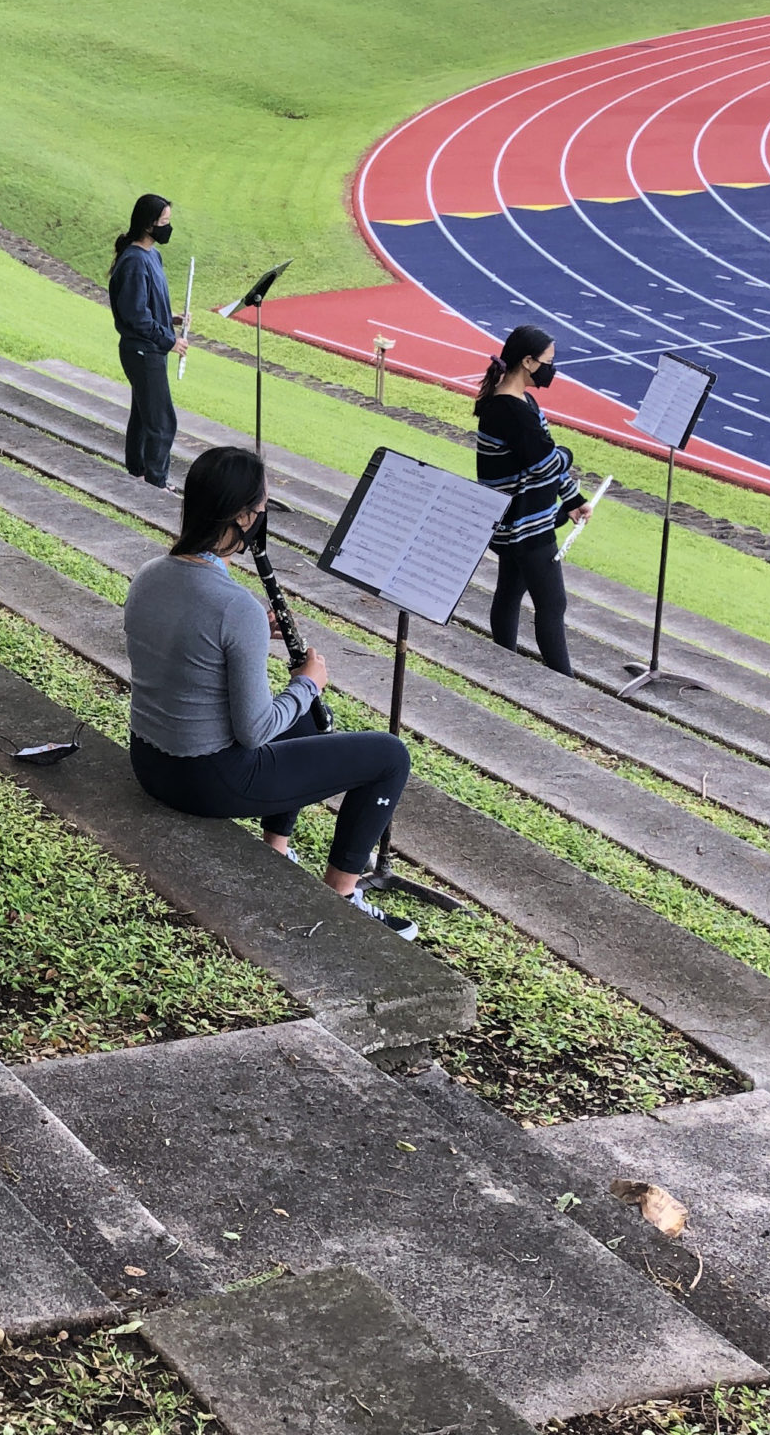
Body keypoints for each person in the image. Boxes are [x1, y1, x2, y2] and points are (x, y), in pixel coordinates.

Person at [123, 445, 418, 939]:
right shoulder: (232, 605)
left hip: (151, 763)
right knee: (389, 755)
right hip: (207, 781)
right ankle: (344, 893)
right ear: (241, 517)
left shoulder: (150, 575)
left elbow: (187, 646)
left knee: (300, 721)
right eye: (260, 511)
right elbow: (255, 730)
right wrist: (308, 683)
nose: (261, 520)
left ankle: (276, 848)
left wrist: (254, 635)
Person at [475, 325, 591, 675]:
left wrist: (572, 500)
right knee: (553, 604)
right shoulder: (511, 412)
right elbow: (546, 463)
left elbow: (545, 464)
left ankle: (501, 662)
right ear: (527, 361)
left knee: (509, 592)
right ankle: (561, 681)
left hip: (516, 523)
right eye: (547, 362)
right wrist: (568, 453)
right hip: (526, 528)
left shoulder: (521, 402)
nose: (551, 369)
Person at [108, 193, 187, 489]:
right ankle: (155, 482)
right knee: (163, 423)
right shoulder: (133, 262)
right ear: (148, 225)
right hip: (142, 351)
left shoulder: (152, 255)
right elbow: (136, 316)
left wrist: (171, 318)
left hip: (151, 349)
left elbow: (149, 305)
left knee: (143, 416)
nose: (168, 227)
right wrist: (170, 340)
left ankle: (137, 472)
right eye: (163, 222)